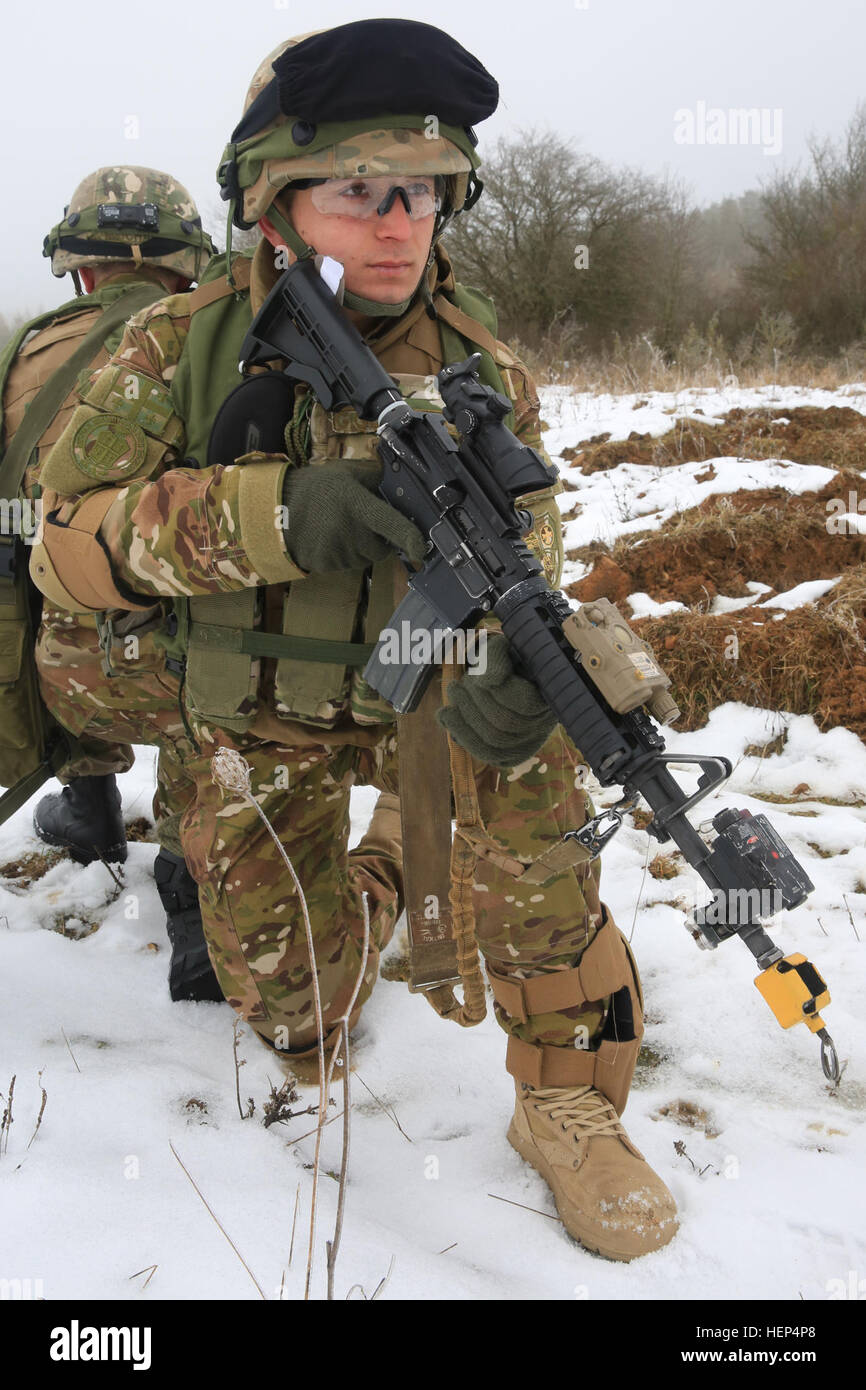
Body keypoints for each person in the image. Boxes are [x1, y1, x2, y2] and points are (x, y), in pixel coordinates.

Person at [30, 21, 678, 1261]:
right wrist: (274, 516)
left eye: (423, 193)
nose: (398, 226)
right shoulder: (173, 347)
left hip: (420, 699)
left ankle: (566, 1099)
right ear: (273, 205)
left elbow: (529, 551)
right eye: (359, 192)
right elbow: (63, 543)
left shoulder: (480, 361)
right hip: (254, 713)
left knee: (536, 764)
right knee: (300, 1023)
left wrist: (511, 670)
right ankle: (384, 867)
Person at [0, 165, 222, 1001]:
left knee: (55, 594)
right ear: (184, 266)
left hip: (65, 683)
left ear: (81, 270)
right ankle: (197, 901)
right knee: (213, 665)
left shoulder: (25, 358)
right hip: (203, 683)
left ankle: (88, 809)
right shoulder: (227, 348)